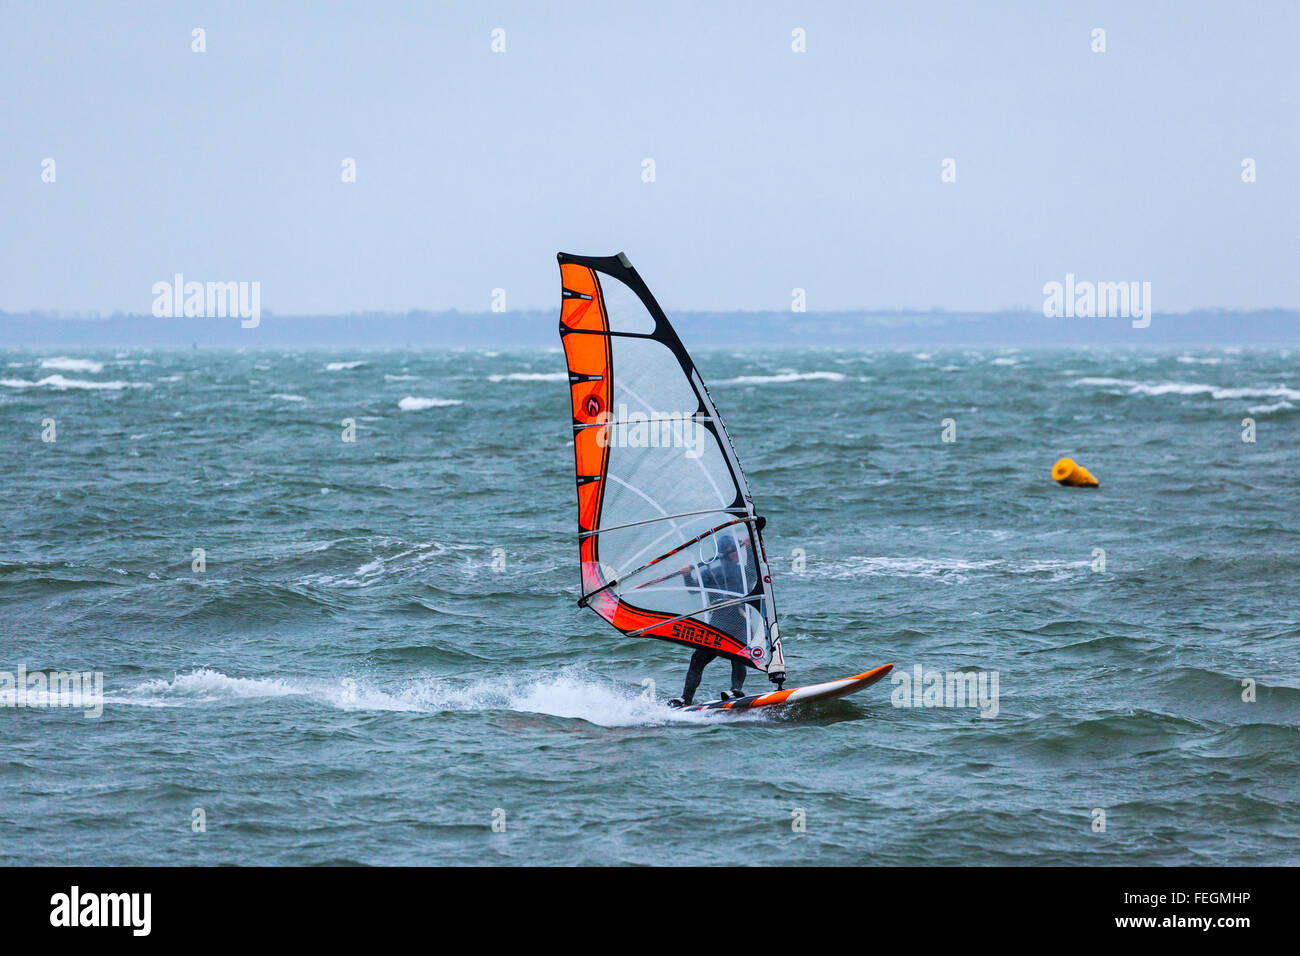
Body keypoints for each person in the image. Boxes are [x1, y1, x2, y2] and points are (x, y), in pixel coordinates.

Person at [667, 534, 752, 707]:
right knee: (698, 658)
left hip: (740, 618)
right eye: (733, 549)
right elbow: (693, 590)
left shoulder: (742, 572)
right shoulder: (711, 572)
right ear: (724, 552)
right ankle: (685, 699)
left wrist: (749, 549)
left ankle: (736, 690)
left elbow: (753, 573)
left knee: (738, 656)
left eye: (737, 548)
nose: (737, 552)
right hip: (719, 621)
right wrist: (687, 575)